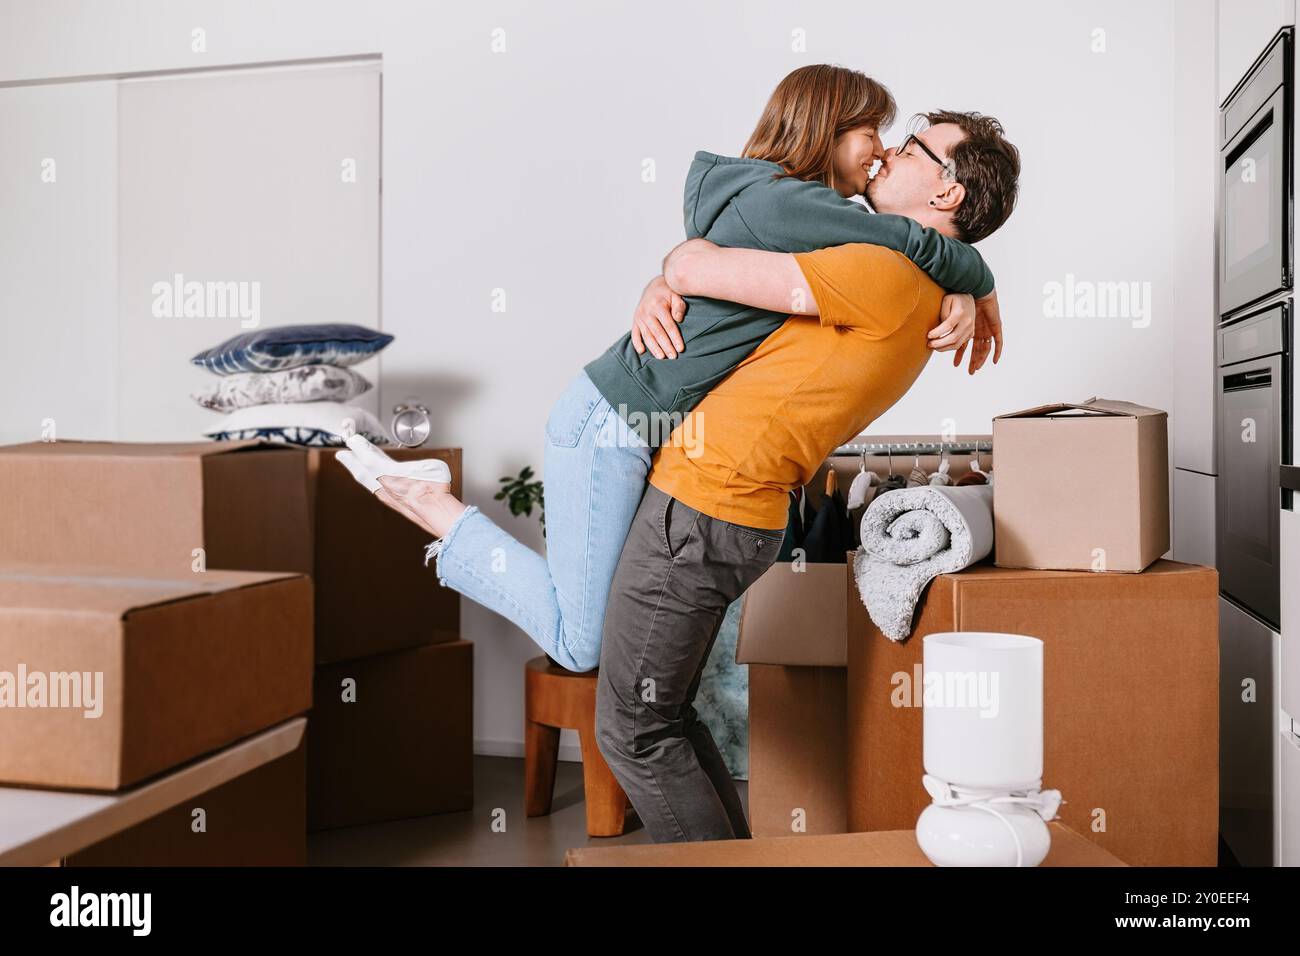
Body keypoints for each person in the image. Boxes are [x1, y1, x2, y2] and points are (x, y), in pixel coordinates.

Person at [340, 66, 1000, 674]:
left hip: (640, 427)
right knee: (583, 645)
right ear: (826, 130)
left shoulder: (815, 219)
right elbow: (905, 242)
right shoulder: (782, 205)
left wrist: (960, 286)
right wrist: (977, 277)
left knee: (602, 635)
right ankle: (440, 512)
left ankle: (439, 512)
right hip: (611, 422)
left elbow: (876, 254)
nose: (883, 150)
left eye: (899, 141)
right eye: (871, 134)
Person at [592, 110, 1022, 843]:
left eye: (914, 142)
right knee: (666, 719)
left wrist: (668, 278)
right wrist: (971, 281)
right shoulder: (913, 282)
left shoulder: (882, 272)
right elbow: (715, 291)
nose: (889, 151)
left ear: (947, 193)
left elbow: (696, 264)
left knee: (632, 731)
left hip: (698, 510)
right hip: (731, 514)